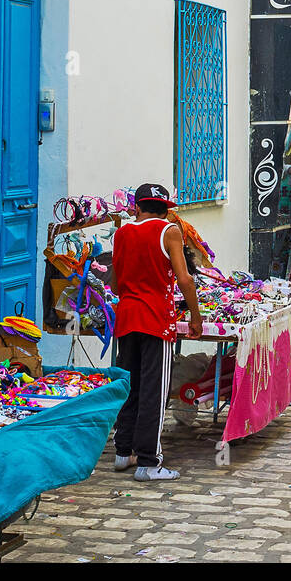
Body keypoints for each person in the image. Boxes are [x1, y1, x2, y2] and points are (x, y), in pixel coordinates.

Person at [111, 183, 203, 481]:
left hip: (127, 317)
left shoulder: (122, 233)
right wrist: (196, 317)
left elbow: (115, 282)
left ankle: (123, 451)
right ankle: (149, 462)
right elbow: (185, 279)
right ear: (166, 210)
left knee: (130, 386)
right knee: (154, 389)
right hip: (155, 319)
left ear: (137, 207)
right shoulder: (169, 231)